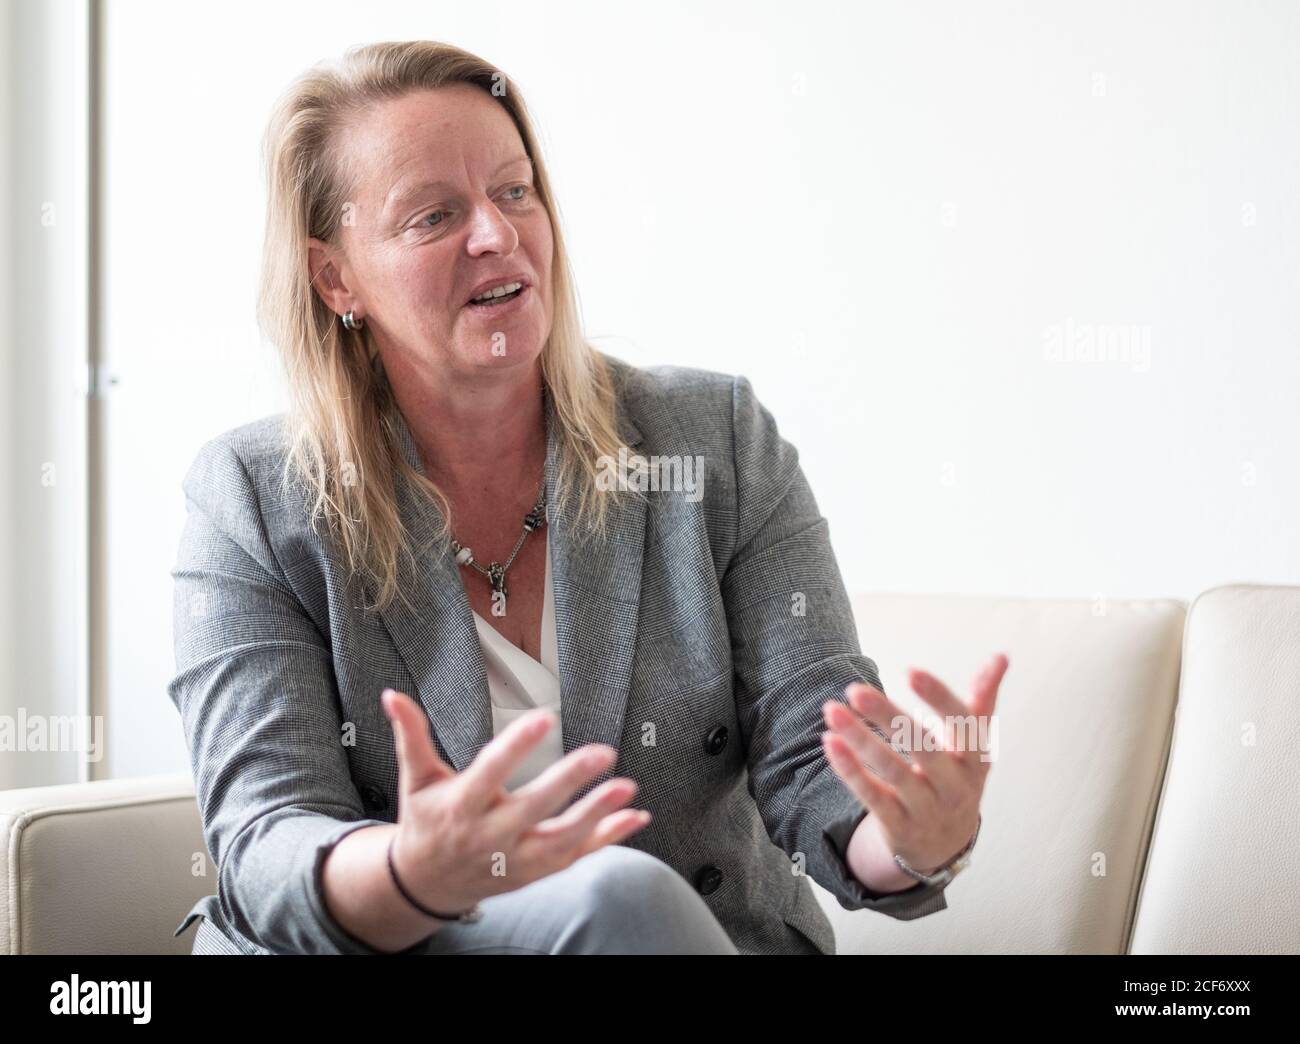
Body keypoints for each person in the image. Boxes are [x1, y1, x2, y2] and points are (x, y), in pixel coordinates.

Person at [168, 39, 1005, 956]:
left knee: (622, 900)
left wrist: (913, 841)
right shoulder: (254, 498)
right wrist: (414, 871)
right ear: (336, 278)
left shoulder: (711, 440)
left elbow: (818, 750)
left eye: (515, 190)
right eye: (434, 215)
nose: (497, 233)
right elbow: (265, 839)